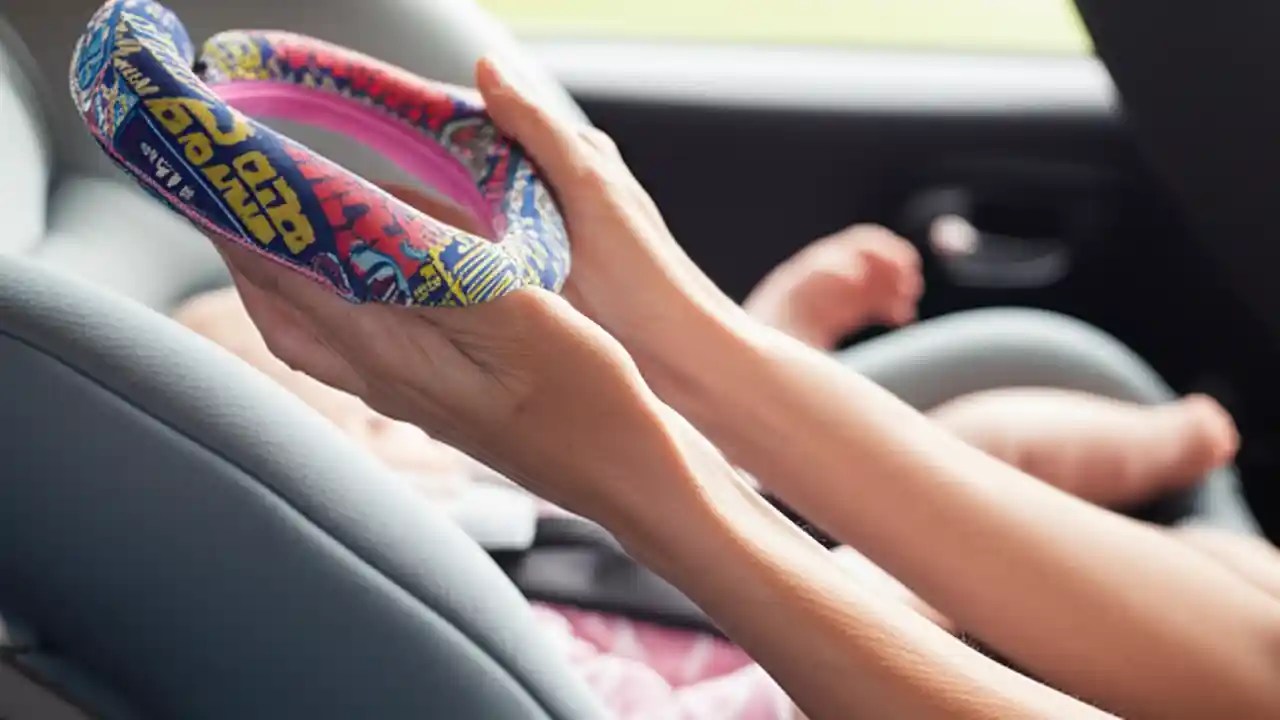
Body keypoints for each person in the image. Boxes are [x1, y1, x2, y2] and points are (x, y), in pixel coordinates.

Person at [196, 58, 1280, 718]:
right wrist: (699, 352)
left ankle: (1182, 447)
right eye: (355, 420)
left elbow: (699, 457)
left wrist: (736, 345)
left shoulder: (500, 480)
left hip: (778, 573)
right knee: (980, 466)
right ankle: (1200, 490)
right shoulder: (432, 583)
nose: (389, 428)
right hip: (756, 684)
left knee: (993, 438)